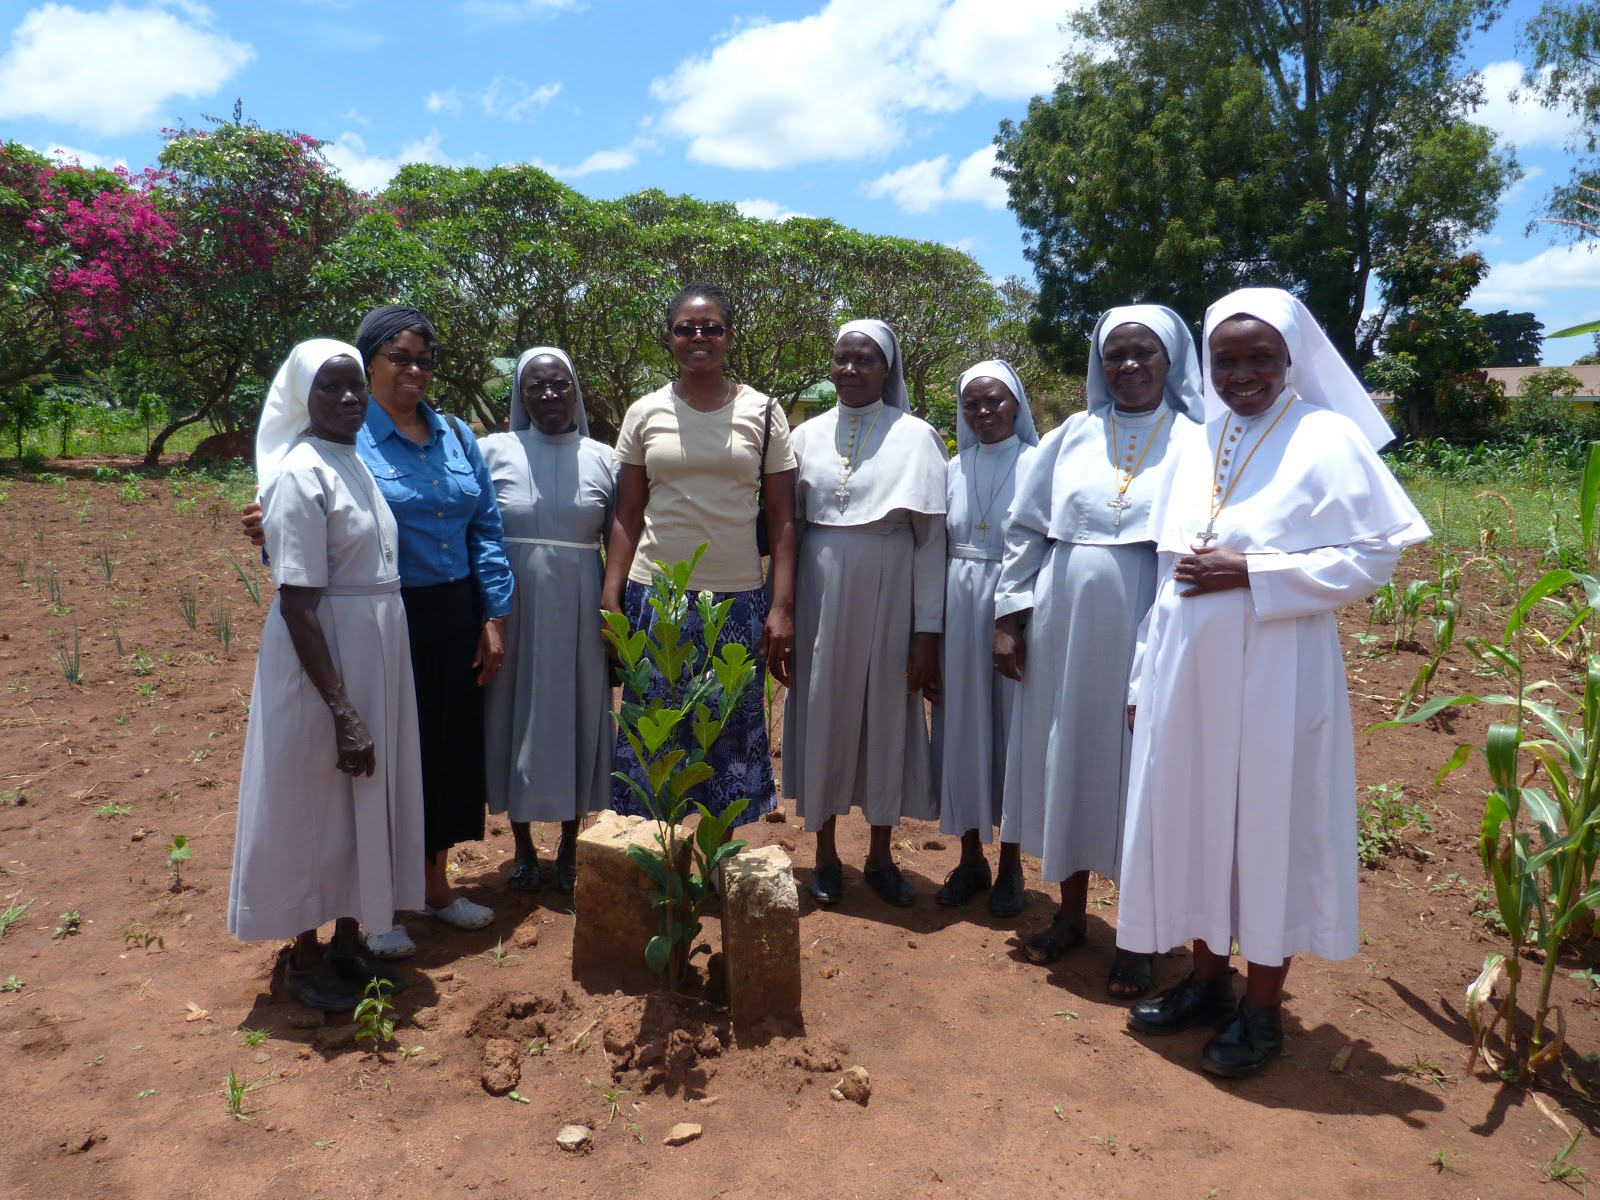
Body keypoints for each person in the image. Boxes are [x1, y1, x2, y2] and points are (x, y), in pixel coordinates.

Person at [1117, 287, 1429, 1076]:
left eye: (1261, 357)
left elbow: (1373, 556)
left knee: (1265, 827)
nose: (1244, 373)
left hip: (1278, 671)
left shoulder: (1329, 436)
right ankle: (1208, 981)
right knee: (1192, 818)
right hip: (1186, 669)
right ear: (1208, 364)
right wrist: (1142, 673)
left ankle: (1262, 1012)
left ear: (1293, 358)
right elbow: (1170, 570)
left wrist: (1255, 573)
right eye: (1226, 358)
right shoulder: (1196, 438)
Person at [243, 306, 514, 957]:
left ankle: (434, 886)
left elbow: (485, 528)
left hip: (453, 613)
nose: (414, 370)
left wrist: (493, 614)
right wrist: (267, 530)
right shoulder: (343, 437)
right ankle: (379, 901)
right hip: (382, 617)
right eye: (399, 358)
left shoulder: (453, 435)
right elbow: (304, 538)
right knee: (384, 759)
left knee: (445, 750)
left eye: (424, 359)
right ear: (369, 364)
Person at [993, 306, 1202, 997]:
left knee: (1141, 773)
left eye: (1145, 353)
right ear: (1098, 364)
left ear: (1172, 361)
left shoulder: (1196, 440)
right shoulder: (1072, 435)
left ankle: (1139, 939)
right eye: (1116, 355)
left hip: (1152, 621)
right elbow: (1024, 526)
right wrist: (1010, 614)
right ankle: (1072, 916)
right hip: (1063, 621)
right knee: (1072, 760)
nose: (1130, 366)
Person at [228, 339, 424, 1010]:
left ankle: (348, 941)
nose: (347, 399)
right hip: (323, 664)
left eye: (354, 387)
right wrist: (342, 708)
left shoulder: (353, 461)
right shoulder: (298, 473)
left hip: (371, 654)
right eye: (329, 389)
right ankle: (304, 958)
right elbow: (298, 601)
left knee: (359, 804)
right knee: (314, 804)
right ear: (300, 400)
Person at [603, 282, 799, 825]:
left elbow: (783, 517)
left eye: (711, 326)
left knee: (729, 733)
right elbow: (628, 512)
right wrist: (610, 595)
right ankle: (658, 863)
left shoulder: (763, 412)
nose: (698, 337)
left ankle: (719, 867)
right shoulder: (645, 412)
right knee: (656, 735)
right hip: (655, 600)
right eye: (686, 327)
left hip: (737, 600)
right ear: (668, 338)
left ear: (729, 336)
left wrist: (780, 607)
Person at [786, 319, 947, 907]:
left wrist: (927, 630)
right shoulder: (803, 436)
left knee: (886, 712)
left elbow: (932, 543)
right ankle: (824, 854)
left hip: (891, 584)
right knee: (823, 708)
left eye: (865, 360)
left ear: (887, 370)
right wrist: (785, 612)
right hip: (819, 586)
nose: (850, 370)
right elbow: (790, 529)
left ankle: (880, 855)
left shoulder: (918, 436)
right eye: (841, 360)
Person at [480, 347, 615, 893]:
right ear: (520, 394)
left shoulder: (604, 457)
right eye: (535, 386)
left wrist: (613, 609)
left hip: (581, 607)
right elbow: (477, 535)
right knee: (511, 717)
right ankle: (521, 849)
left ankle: (567, 846)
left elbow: (623, 536)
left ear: (576, 390)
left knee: (575, 714)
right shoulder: (491, 451)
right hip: (512, 606)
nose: (549, 396)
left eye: (559, 384)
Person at [931, 360, 1039, 918]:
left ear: (1017, 405)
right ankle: (970, 856)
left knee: (1012, 730)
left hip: (1017, 608)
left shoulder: (1039, 465)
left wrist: (1015, 618)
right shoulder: (952, 467)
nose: (983, 412)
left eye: (994, 400)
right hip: (957, 600)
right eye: (972, 403)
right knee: (962, 728)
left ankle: (1012, 862)